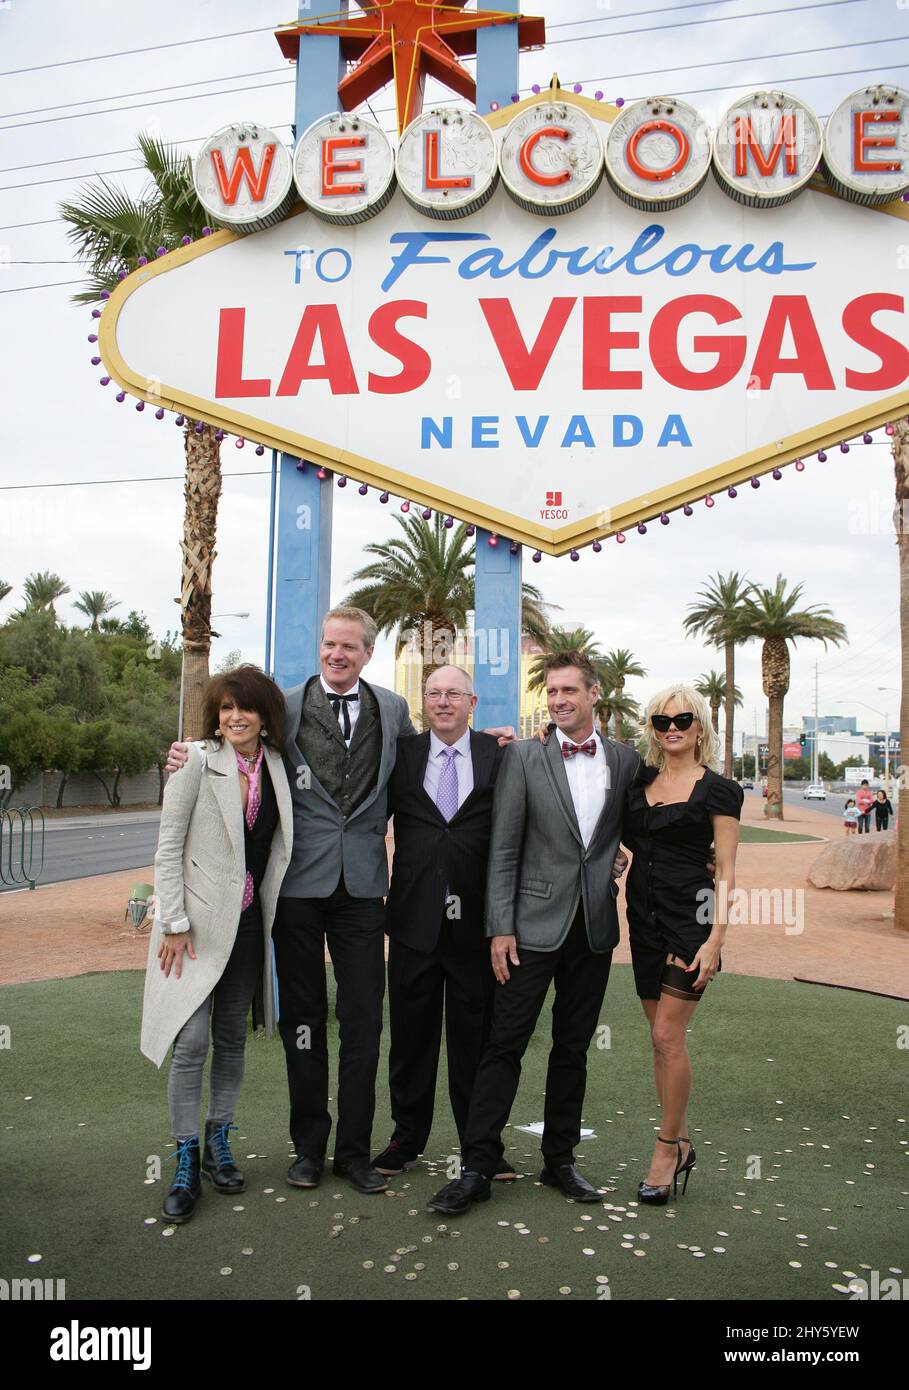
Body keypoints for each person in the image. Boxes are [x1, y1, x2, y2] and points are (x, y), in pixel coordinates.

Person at [166, 608, 514, 1197]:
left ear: (367, 654)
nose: (337, 654)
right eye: (329, 643)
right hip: (298, 888)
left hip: (365, 891)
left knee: (362, 1023)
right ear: (321, 647)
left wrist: (495, 743)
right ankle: (309, 1149)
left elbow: (428, 759)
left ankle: (354, 1152)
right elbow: (239, 740)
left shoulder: (394, 709)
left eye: (349, 646)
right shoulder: (287, 706)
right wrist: (192, 751)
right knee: (303, 1022)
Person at [428, 651, 639, 1215]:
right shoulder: (523, 755)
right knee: (503, 1045)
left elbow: (641, 822)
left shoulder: (624, 759)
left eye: (571, 690)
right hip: (527, 928)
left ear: (595, 694)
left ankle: (560, 1159)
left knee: (573, 1049)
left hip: (593, 929)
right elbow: (504, 849)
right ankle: (477, 1165)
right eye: (552, 691)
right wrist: (499, 928)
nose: (560, 700)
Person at [142, 666, 292, 1223]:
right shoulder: (197, 761)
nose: (234, 717)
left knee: (232, 1037)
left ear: (264, 715)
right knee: (191, 1042)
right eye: (226, 708)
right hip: (192, 931)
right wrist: (174, 922)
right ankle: (185, 1156)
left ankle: (219, 1143)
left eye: (245, 708)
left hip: (250, 928)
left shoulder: (278, 766)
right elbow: (167, 847)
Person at [372, 665, 515, 1181]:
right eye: (434, 693)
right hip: (413, 921)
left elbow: (531, 816)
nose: (443, 702)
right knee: (411, 1037)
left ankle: (482, 1146)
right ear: (424, 702)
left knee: (475, 1041)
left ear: (472, 702)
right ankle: (405, 1140)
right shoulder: (401, 756)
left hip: (478, 924)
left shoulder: (499, 755)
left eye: (454, 693)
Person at [622, 686, 742, 1205]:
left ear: (700, 727)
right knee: (658, 1037)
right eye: (661, 720)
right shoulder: (639, 781)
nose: (672, 728)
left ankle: (666, 1149)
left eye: (683, 719)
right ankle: (684, 1139)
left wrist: (717, 938)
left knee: (669, 1034)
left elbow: (728, 871)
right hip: (642, 918)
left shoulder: (718, 790)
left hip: (691, 923)